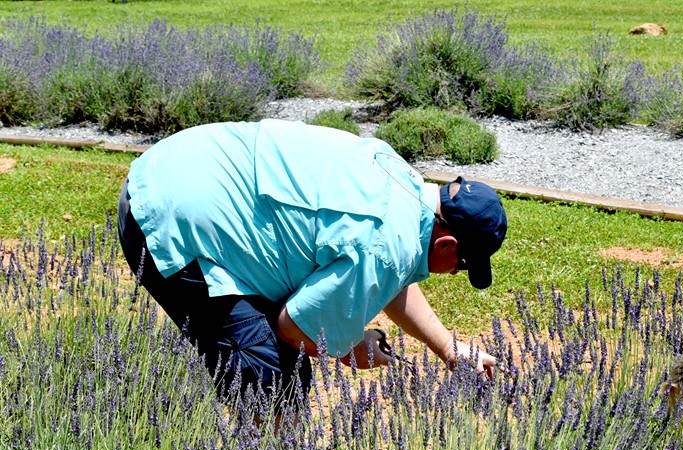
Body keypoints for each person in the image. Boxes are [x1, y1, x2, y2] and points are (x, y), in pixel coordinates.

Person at [117, 119, 507, 405]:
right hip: (169, 217)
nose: (455, 274)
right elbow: (296, 329)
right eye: (461, 267)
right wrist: (353, 347)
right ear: (446, 245)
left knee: (280, 367)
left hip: (177, 164)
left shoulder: (401, 180)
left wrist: (451, 349)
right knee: (273, 374)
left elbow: (394, 275)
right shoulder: (384, 248)